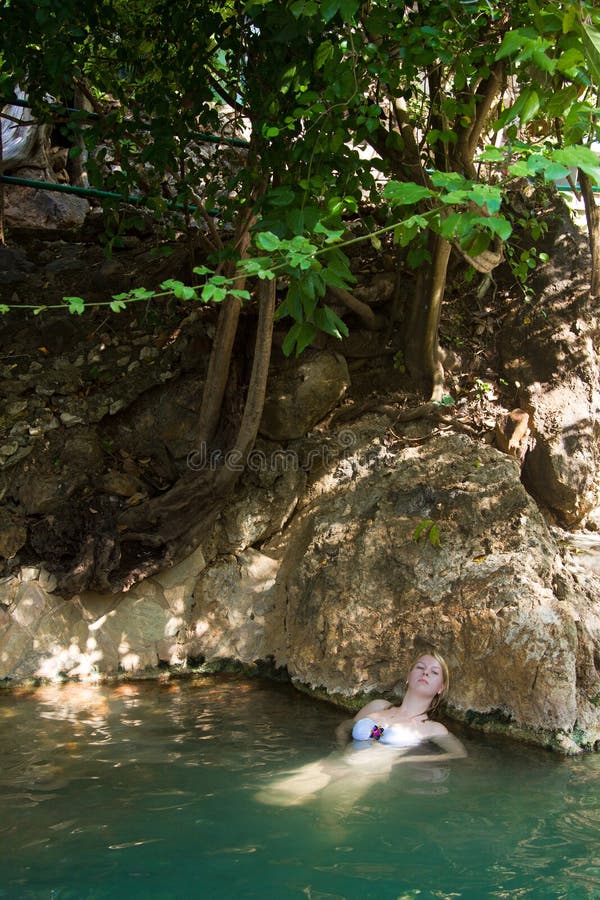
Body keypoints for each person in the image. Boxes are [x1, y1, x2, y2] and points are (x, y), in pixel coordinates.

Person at [255, 651, 466, 807]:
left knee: (328, 818)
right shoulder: (378, 706)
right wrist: (339, 750)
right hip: (335, 762)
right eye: (420, 667)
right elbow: (346, 727)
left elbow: (458, 754)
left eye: (434, 672)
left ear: (440, 688)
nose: (425, 673)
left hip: (365, 773)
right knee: (270, 796)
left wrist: (406, 761)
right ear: (409, 676)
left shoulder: (431, 728)